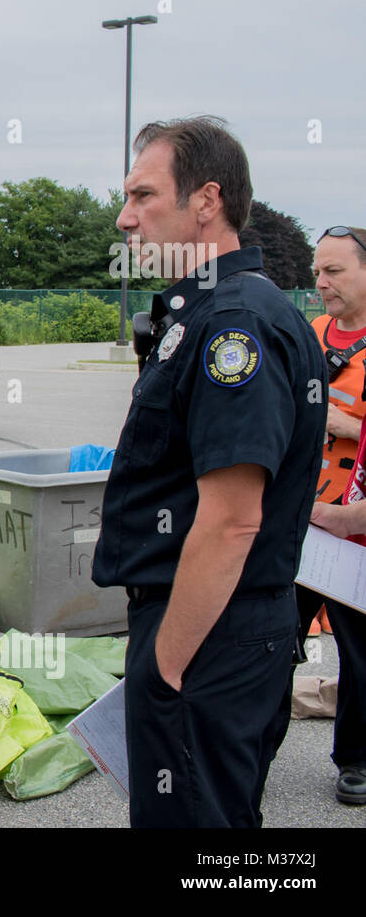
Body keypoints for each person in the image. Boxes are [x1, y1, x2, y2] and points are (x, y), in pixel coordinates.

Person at [91, 116, 326, 827]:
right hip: (215, 628)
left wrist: (166, 666)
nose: (126, 220)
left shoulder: (234, 323)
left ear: (206, 201)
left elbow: (231, 520)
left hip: (211, 634)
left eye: (143, 196)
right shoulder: (210, 312)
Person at [298, 225, 366, 806]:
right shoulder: (311, 333)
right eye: (318, 271)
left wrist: (350, 428)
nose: (321, 283)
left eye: (335, 272)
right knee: (268, 639)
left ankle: (357, 762)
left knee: (359, 651)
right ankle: (249, 749)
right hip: (298, 517)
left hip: (355, 528)